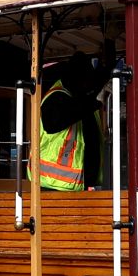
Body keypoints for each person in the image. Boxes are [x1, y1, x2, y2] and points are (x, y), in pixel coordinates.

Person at [36, 55, 110, 192]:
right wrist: (92, 103)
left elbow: (98, 82)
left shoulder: (81, 96)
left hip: (79, 183)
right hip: (55, 184)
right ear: (76, 78)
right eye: (85, 80)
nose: (88, 84)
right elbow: (54, 123)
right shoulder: (56, 96)